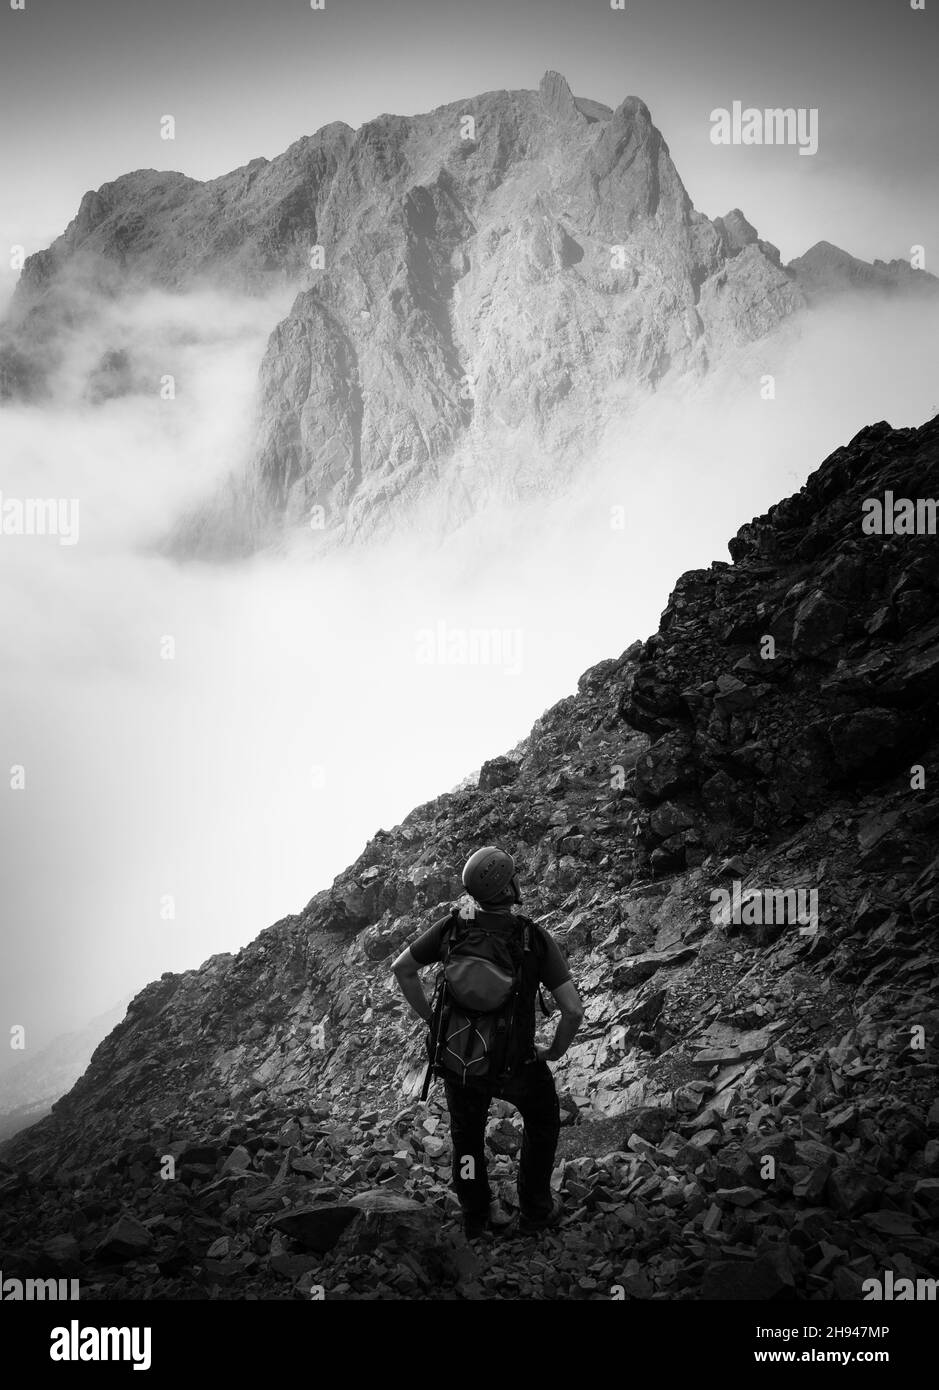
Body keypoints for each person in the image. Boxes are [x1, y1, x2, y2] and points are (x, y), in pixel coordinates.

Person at [392, 846, 584, 1238]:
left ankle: (477, 1216)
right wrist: (554, 1051)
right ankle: (535, 1209)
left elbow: (403, 969)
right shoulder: (530, 935)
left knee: (466, 1139)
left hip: (462, 1057)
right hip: (516, 1062)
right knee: (543, 1121)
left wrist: (432, 1020)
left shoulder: (454, 925)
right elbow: (573, 1010)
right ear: (509, 886)